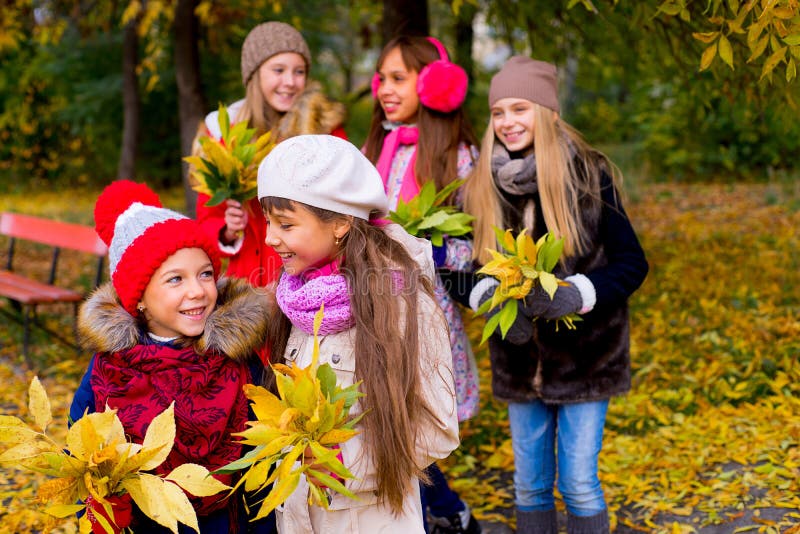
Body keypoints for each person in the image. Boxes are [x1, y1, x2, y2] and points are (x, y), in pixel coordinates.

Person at [463, 56, 649, 534]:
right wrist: (489, 295)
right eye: (498, 112)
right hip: (519, 361)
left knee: (580, 481)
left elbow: (632, 264)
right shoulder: (482, 184)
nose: (507, 122)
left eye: (519, 108)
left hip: (587, 360)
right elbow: (456, 269)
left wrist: (577, 293)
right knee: (529, 485)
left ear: (545, 111)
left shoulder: (589, 175)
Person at [257, 134, 460, 533]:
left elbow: (438, 428)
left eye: (285, 224)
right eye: (267, 222)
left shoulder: (401, 302)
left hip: (370, 518)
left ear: (341, 222)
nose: (269, 237)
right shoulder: (293, 297)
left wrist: (341, 462)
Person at [70, 180, 275, 533]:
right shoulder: (111, 370)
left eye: (205, 274)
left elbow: (265, 462)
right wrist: (98, 509)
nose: (197, 291)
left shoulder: (236, 360)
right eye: (175, 279)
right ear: (139, 298)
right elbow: (81, 455)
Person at [362, 35, 481, 534]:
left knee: (414, 422)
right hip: (373, 310)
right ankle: (437, 513)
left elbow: (473, 245)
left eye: (399, 78)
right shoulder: (373, 149)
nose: (385, 90)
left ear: (434, 84)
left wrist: (425, 249)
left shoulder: (457, 156)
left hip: (427, 314)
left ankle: (446, 512)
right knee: (384, 420)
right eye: (381, 78)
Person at [193, 21, 347, 288]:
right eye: (279, 70)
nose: (290, 82)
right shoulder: (225, 136)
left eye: (299, 72)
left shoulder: (325, 132)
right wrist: (228, 229)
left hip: (311, 279)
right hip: (248, 284)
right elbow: (207, 218)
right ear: (255, 74)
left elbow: (347, 202)